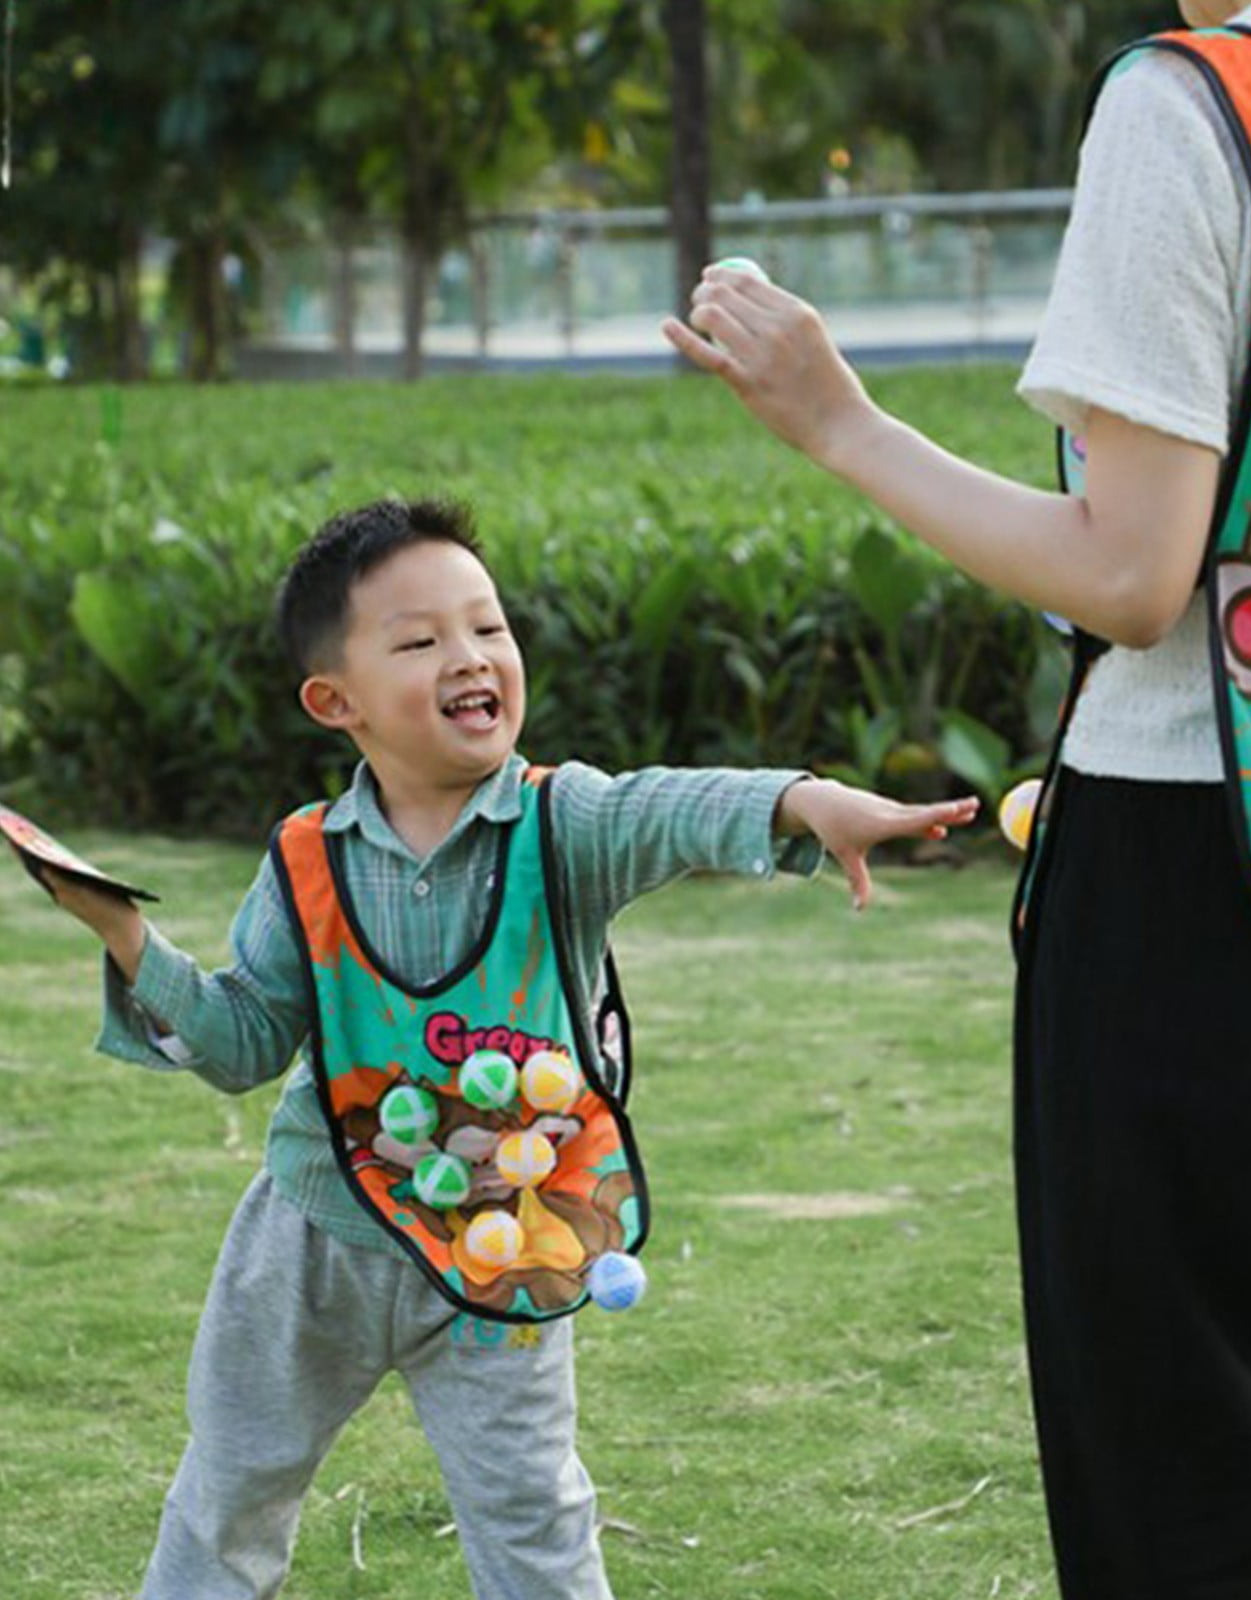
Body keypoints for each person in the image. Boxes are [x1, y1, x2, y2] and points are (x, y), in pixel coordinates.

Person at [663, 1, 1251, 1595]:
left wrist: (838, 420)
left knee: (1204, 1528)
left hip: (1208, 924)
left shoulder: (1197, 106)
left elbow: (1128, 574)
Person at [45, 496, 978, 1600]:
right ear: (333, 700)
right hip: (309, 1242)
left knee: (533, 1513)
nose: (470, 656)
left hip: (509, 1242)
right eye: (420, 639)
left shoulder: (563, 823)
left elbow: (668, 806)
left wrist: (809, 802)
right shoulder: (303, 861)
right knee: (231, 1493)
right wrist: (127, 935)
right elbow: (245, 1039)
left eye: (487, 627)